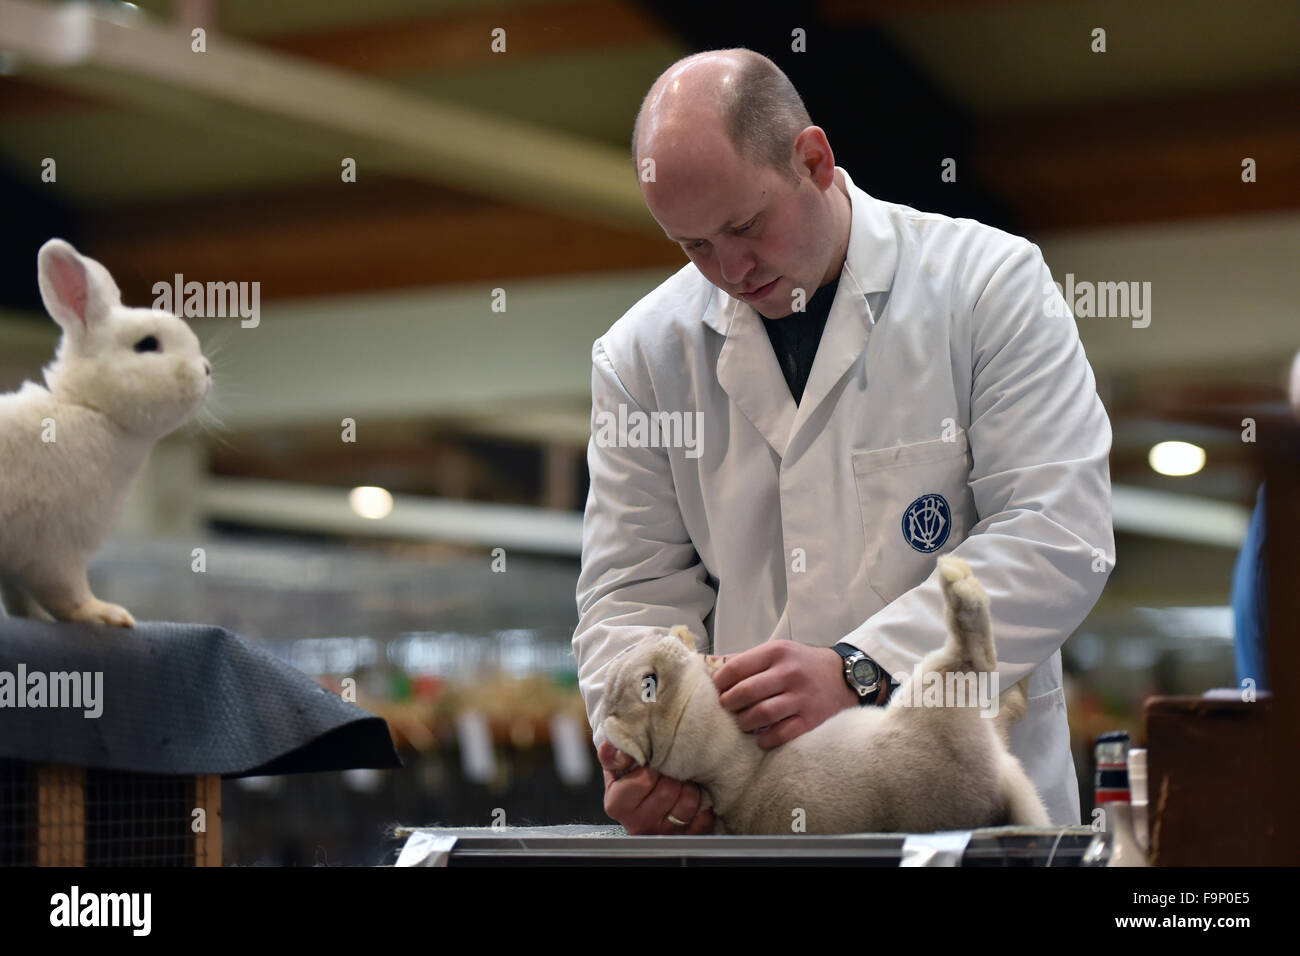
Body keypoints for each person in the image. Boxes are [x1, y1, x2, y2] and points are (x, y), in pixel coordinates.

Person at [572, 48, 1115, 834]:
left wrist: (865, 670)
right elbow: (631, 594)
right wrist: (641, 753)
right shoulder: (641, 358)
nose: (729, 269)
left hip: (968, 815)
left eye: (744, 225)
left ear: (814, 159)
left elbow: (1056, 534)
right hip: (758, 821)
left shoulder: (988, 285)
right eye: (691, 245)